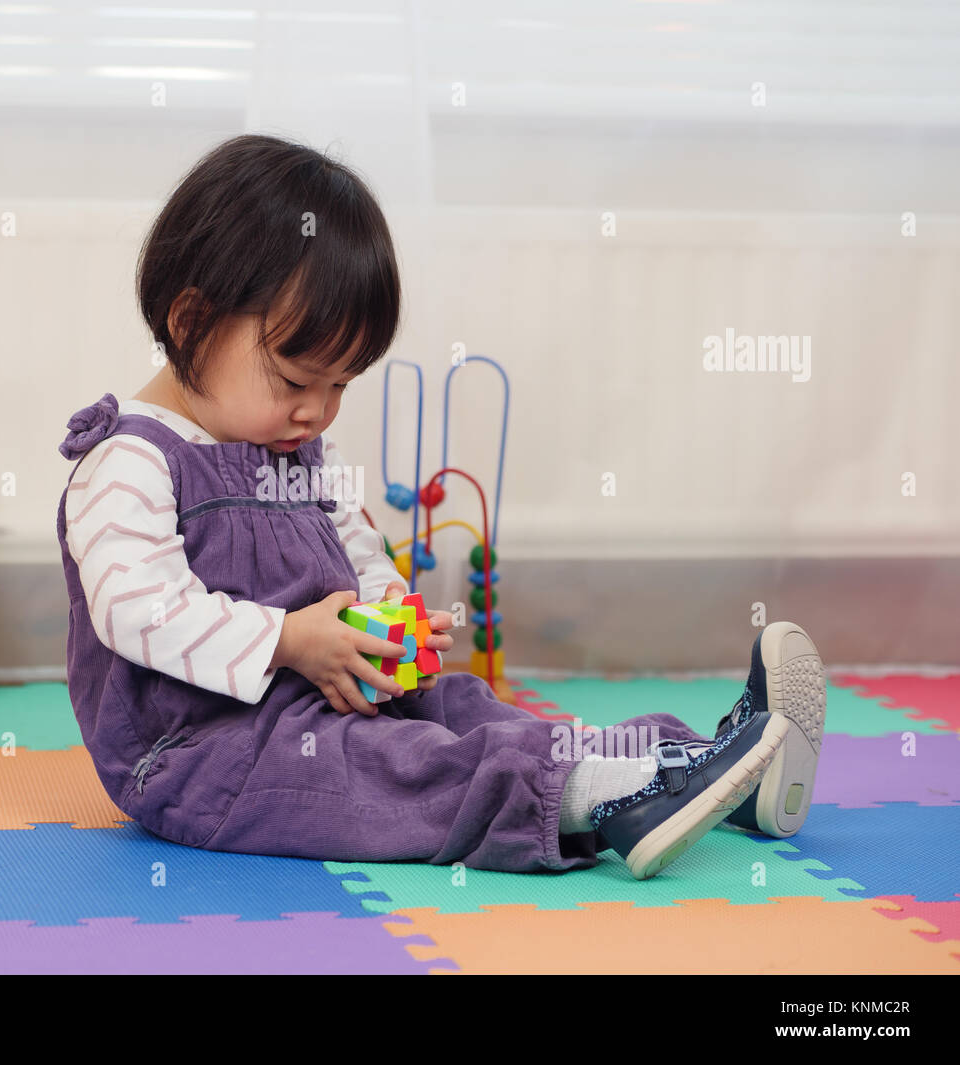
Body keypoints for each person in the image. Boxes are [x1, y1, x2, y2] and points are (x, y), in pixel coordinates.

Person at [56, 133, 827, 880]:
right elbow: (140, 610)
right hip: (205, 754)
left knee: (466, 706)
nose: (318, 413)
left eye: (341, 386)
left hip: (332, 696)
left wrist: (390, 615)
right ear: (191, 324)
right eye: (296, 382)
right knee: (401, 770)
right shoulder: (129, 458)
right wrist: (288, 639)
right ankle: (607, 801)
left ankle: (693, 764)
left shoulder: (293, 452)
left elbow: (355, 547)